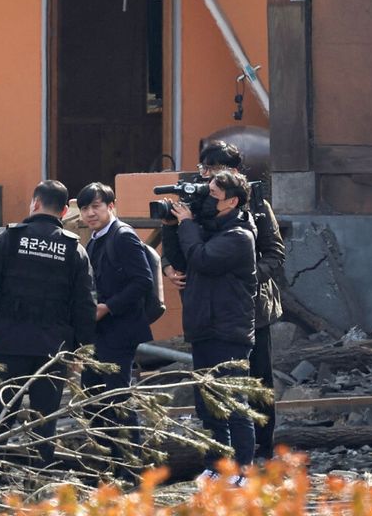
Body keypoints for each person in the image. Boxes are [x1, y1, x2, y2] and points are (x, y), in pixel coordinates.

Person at [0, 181, 97, 467]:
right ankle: (39, 488)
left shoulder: (9, 239)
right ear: (63, 210)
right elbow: (85, 304)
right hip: (53, 350)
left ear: (34, 204)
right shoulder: (74, 250)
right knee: (44, 423)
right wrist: (82, 348)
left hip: (10, 344)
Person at [180, 140, 286, 461]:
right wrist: (172, 267)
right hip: (212, 307)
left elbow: (275, 254)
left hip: (254, 306)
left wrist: (244, 274)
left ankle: (262, 451)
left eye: (213, 169)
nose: (206, 174)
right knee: (214, 388)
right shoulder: (203, 204)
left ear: (234, 172)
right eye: (204, 169)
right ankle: (226, 458)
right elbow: (190, 250)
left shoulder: (257, 206)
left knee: (256, 382)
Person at [162, 172, 257, 479]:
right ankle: (216, 466)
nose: (205, 200)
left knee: (233, 401)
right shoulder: (206, 229)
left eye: (213, 195)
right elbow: (182, 258)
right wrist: (170, 227)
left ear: (232, 201)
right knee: (208, 405)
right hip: (203, 326)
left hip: (229, 330)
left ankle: (243, 470)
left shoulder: (239, 236)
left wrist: (188, 223)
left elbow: (201, 258)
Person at [76, 183, 154, 465]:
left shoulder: (123, 236)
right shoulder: (95, 239)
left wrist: (108, 307)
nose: (90, 213)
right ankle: (108, 462)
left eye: (96, 206)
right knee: (92, 398)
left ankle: (132, 465)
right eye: (85, 208)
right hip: (99, 332)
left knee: (118, 399)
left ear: (111, 207)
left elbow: (142, 281)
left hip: (119, 330)